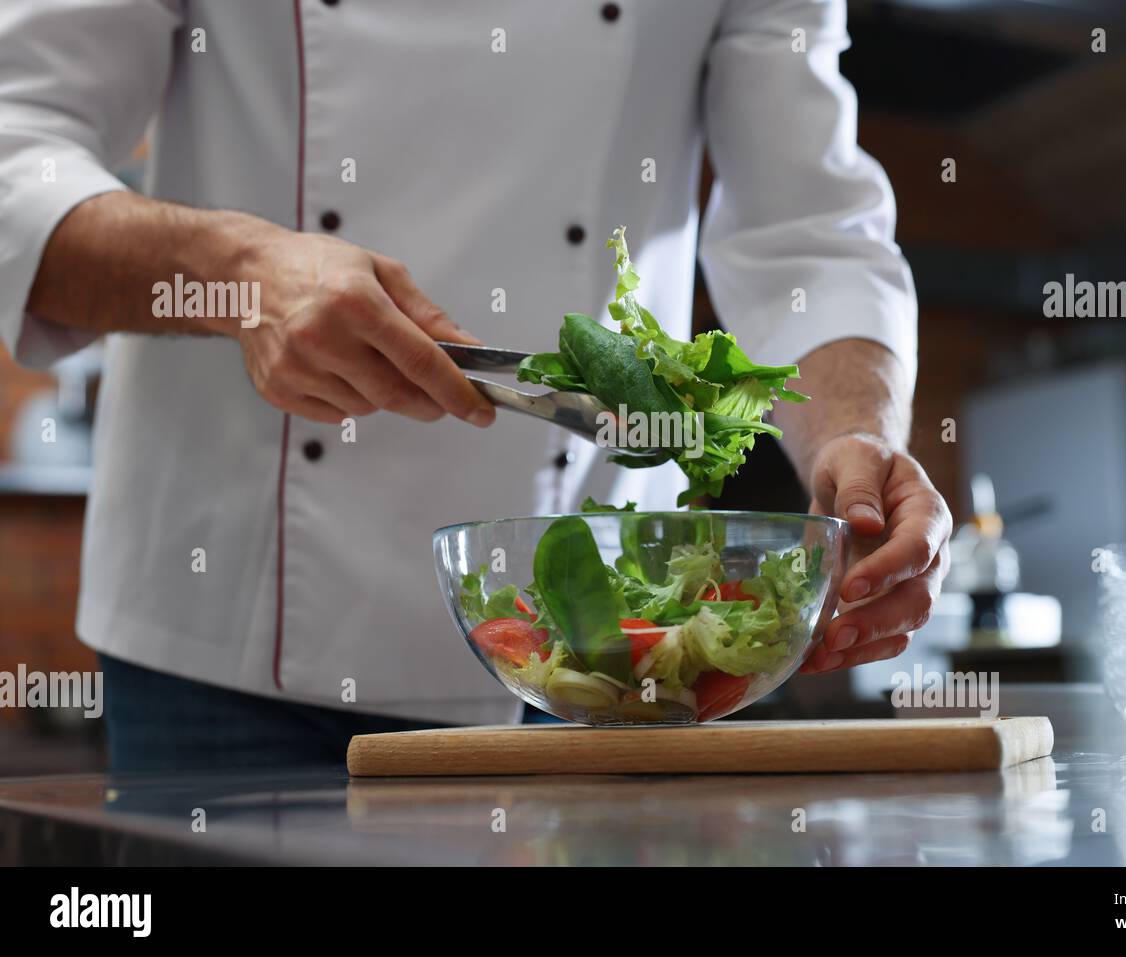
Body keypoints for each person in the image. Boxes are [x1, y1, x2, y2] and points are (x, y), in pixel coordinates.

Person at [0, 0, 951, 770]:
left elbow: (808, 228)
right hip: (226, 646)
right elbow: (16, 151)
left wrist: (853, 438)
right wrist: (240, 272)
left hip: (608, 647)